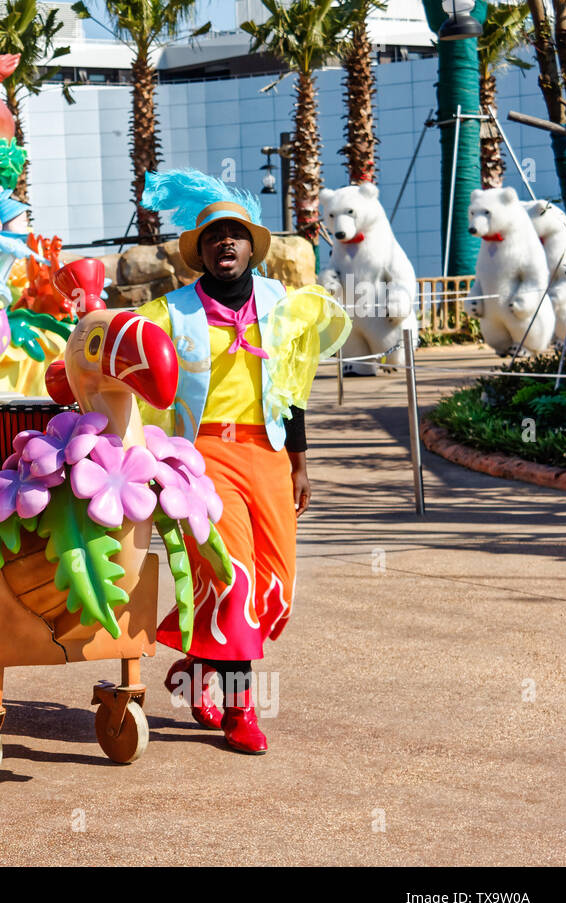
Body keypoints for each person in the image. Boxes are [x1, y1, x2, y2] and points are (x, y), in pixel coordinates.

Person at [134, 171, 347, 755]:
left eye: (235, 234)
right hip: (204, 456)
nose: (224, 243)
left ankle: (198, 665)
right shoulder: (168, 312)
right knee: (234, 577)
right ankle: (240, 711)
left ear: (252, 246)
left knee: (276, 581)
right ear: (199, 252)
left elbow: (294, 389)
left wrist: (300, 464)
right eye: (212, 236)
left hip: (270, 455)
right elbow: (116, 352)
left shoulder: (285, 306)